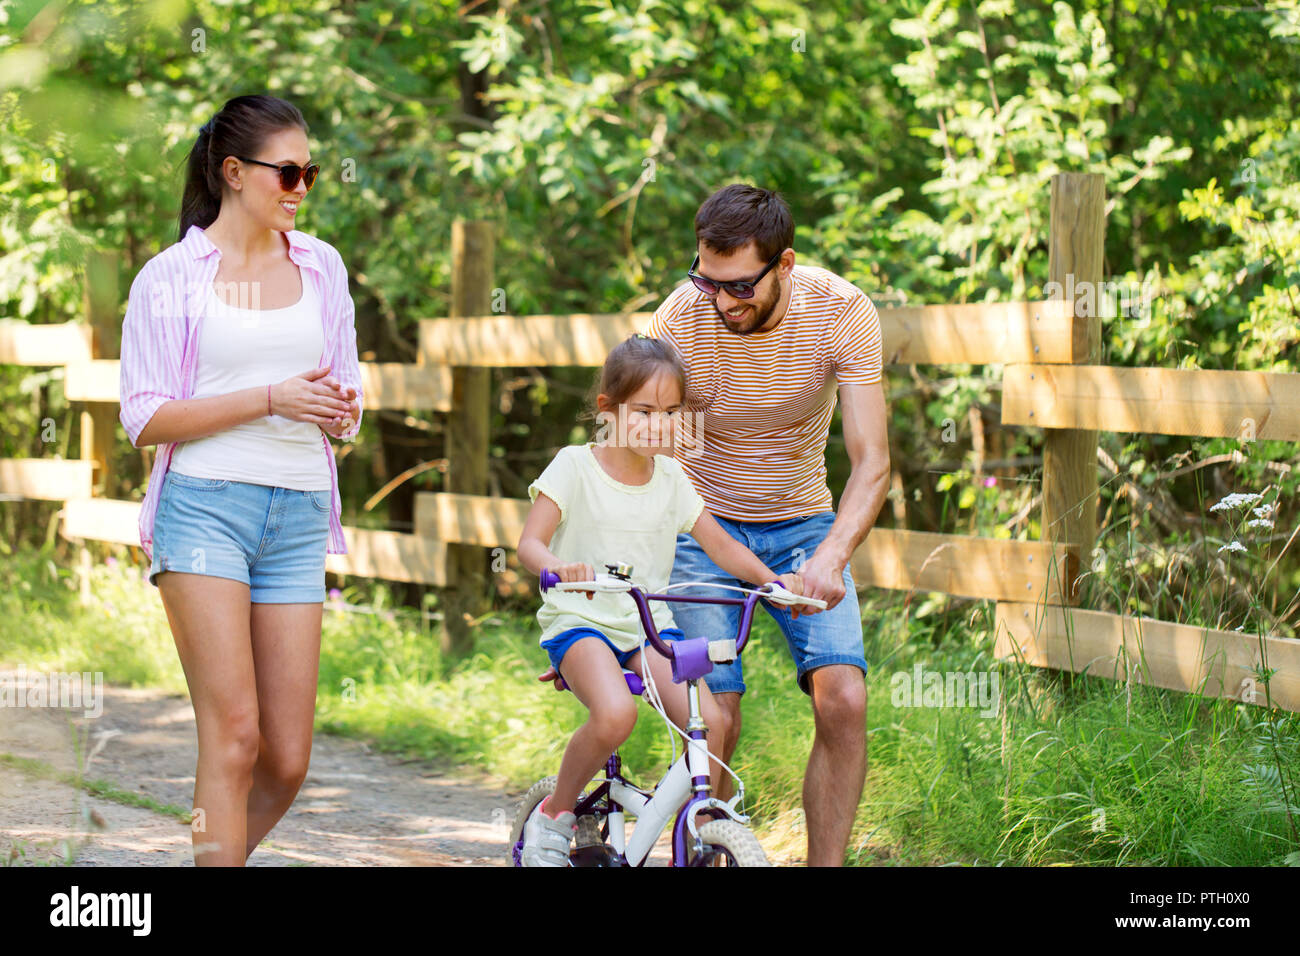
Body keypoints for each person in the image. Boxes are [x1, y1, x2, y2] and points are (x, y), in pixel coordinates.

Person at [117, 94, 364, 866]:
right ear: (233, 172)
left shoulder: (322, 266)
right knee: (232, 737)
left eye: (310, 173)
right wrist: (268, 397)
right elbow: (146, 418)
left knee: (287, 760)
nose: (300, 187)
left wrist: (338, 412)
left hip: (297, 515)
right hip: (204, 510)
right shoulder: (170, 278)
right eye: (287, 172)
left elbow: (348, 413)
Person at [646, 184, 890, 866]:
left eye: (741, 286)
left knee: (843, 698)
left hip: (804, 523)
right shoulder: (678, 321)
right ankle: (711, 853)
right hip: (701, 527)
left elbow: (872, 462)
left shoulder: (842, 312)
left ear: (785, 264)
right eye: (709, 282)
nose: (723, 302)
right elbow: (650, 453)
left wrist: (833, 555)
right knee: (715, 718)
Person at [515, 333, 810, 867]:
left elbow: (720, 544)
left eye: (671, 412)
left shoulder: (672, 479)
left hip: (646, 626)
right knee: (614, 715)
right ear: (608, 409)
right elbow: (529, 544)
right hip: (581, 621)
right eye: (644, 411)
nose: (659, 424)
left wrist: (773, 583)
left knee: (713, 722)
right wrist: (558, 567)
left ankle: (698, 834)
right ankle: (556, 812)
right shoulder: (574, 466)